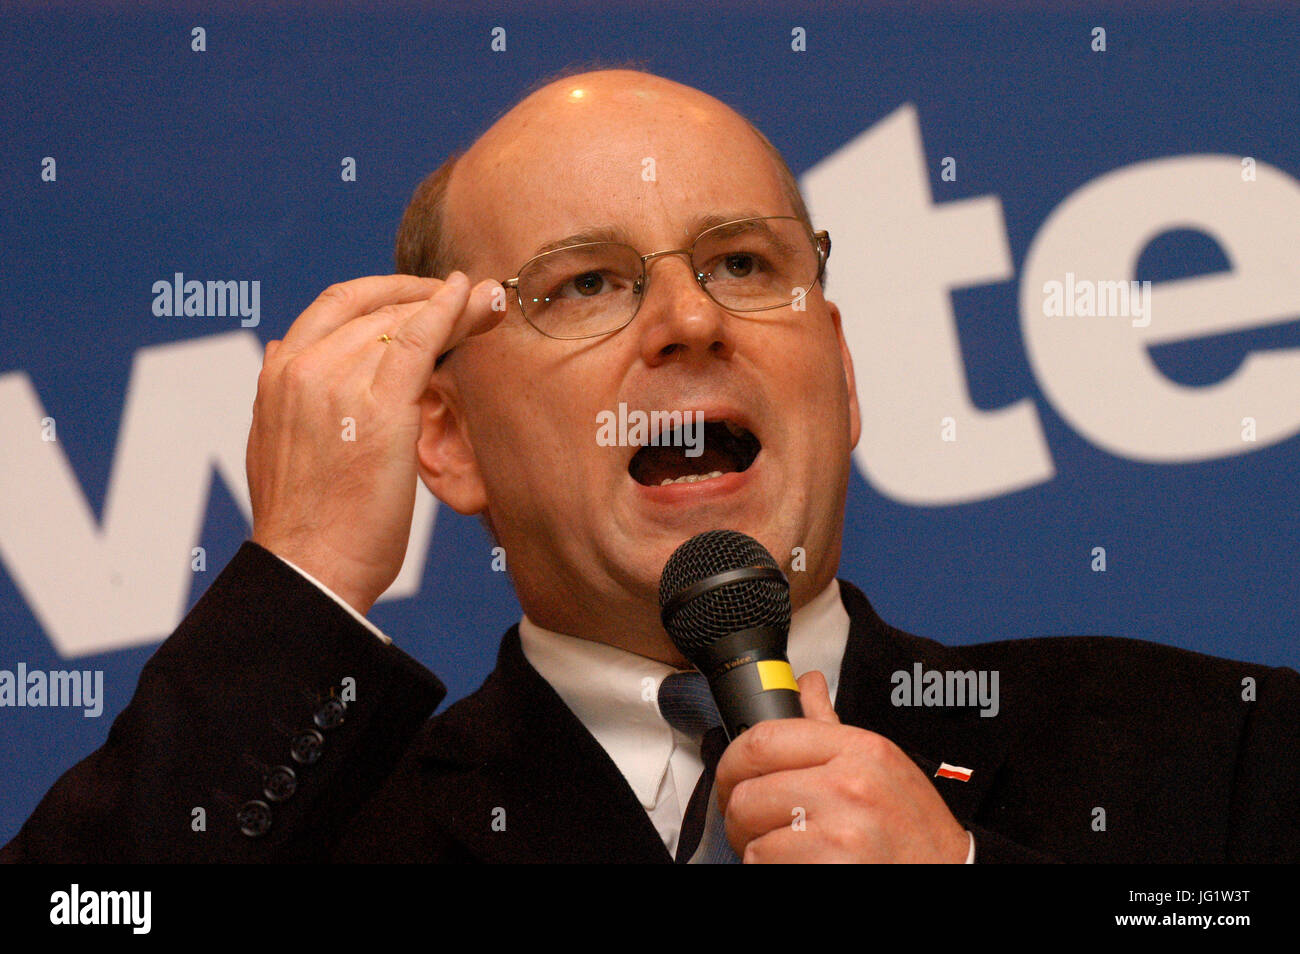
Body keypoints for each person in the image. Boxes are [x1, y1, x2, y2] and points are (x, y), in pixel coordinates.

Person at [4, 69, 1297, 864]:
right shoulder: (319, 836)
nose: (691, 321)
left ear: (841, 374)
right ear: (442, 434)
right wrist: (301, 585)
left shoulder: (1218, 749)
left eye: (743, 262)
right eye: (588, 283)